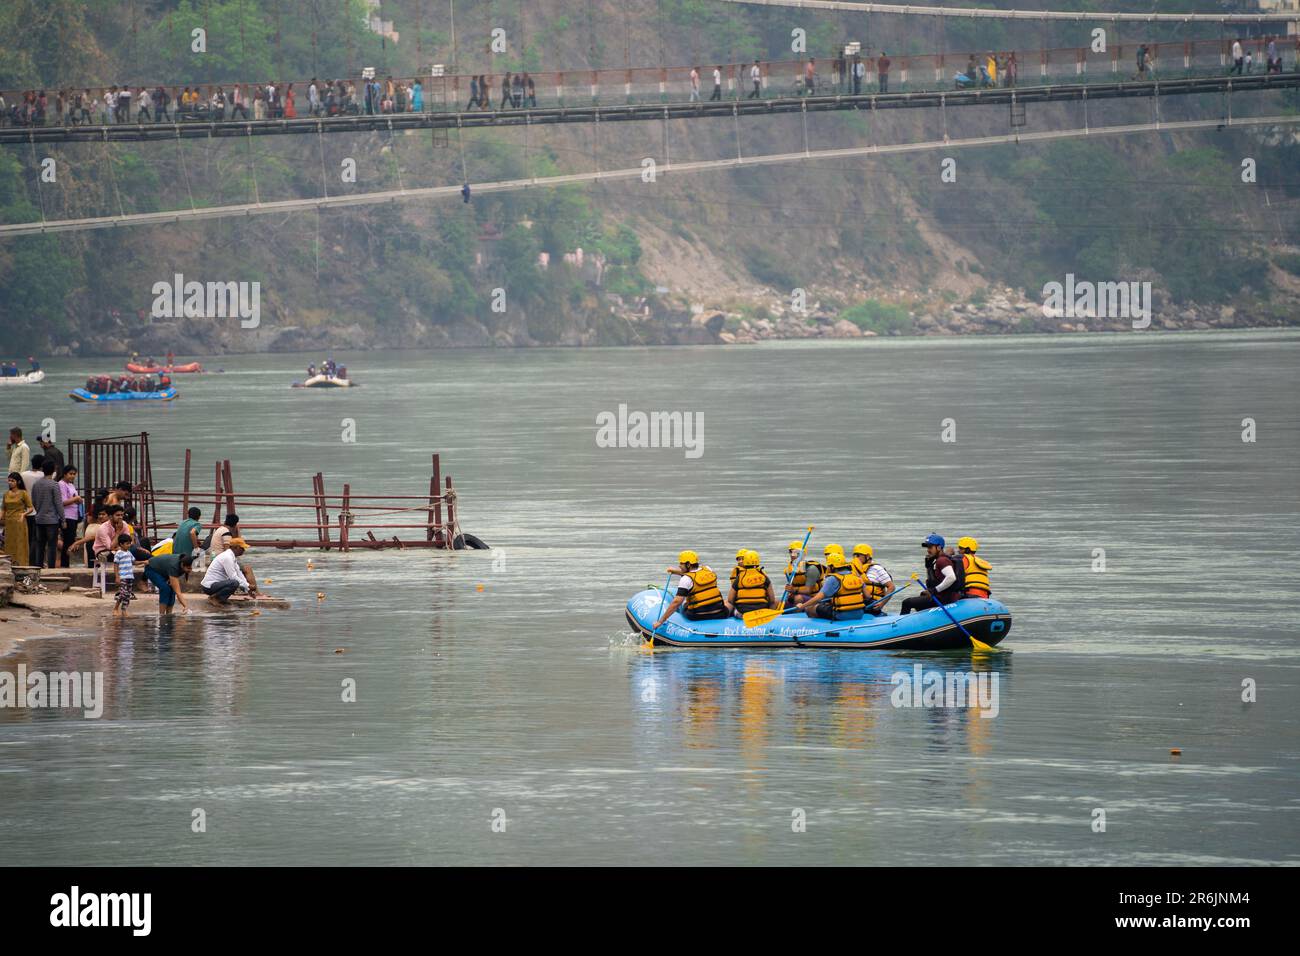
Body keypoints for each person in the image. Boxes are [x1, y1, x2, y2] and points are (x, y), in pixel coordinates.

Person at [652, 550, 728, 627]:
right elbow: (696, 574)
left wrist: (660, 621)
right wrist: (676, 572)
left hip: (697, 616)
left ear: (688, 564)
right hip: (719, 613)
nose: (679, 565)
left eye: (681, 563)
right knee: (727, 603)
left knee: (684, 603)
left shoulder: (685, 579)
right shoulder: (708, 569)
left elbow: (676, 602)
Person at [899, 534, 962, 614]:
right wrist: (929, 567)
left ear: (938, 548)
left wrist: (935, 590)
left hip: (943, 598)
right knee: (920, 600)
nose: (928, 550)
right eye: (927, 547)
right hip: (941, 596)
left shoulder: (942, 560)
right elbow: (932, 581)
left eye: (930, 547)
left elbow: (951, 577)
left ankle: (902, 625)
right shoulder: (937, 560)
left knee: (907, 602)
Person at [798, 551, 866, 620]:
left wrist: (803, 606)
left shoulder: (833, 579)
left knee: (809, 608)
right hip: (859, 613)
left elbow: (818, 598)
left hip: (840, 615)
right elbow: (868, 596)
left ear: (832, 566)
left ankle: (821, 627)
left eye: (828, 566)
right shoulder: (857, 576)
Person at [201, 537, 258, 605]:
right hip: (209, 587)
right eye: (242, 548)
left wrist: (248, 589)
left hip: (217, 585)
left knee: (236, 583)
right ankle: (214, 598)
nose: (244, 551)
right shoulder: (227, 557)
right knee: (234, 583)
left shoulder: (232, 557)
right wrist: (248, 585)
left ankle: (221, 599)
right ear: (236, 547)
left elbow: (239, 573)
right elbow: (233, 577)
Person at [209, 512, 259, 591]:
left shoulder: (220, 529)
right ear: (235, 524)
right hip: (220, 558)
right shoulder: (226, 533)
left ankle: (246, 589)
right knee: (247, 569)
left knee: (239, 567)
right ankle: (256, 591)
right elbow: (227, 552)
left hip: (214, 557)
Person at [30, 459, 62, 568]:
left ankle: (38, 567)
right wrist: (63, 519)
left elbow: (33, 501)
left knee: (40, 545)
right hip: (52, 520)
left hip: (39, 519)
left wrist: (39, 510)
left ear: (42, 470)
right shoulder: (54, 484)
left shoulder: (36, 484)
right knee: (52, 545)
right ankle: (51, 567)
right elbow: (58, 503)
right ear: (53, 470)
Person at [145, 550, 194, 615]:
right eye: (188, 568)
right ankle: (162, 615)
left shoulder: (183, 562)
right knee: (165, 588)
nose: (190, 570)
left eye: (191, 568)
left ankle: (169, 614)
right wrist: (186, 606)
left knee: (172, 589)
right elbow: (178, 592)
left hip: (164, 571)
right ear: (182, 565)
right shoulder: (174, 566)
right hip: (152, 569)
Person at [728, 550, 776, 617]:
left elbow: (730, 600)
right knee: (775, 603)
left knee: (730, 605)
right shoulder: (764, 577)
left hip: (743, 613)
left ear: (744, 562)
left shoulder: (739, 578)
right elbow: (772, 600)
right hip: (761, 611)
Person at [850, 544, 894, 615]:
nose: (856, 558)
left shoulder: (877, 568)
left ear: (867, 556)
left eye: (858, 555)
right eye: (854, 555)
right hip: (858, 602)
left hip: (872, 603)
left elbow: (891, 587)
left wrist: (882, 604)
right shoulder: (854, 569)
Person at [781, 539, 824, 608]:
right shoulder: (788, 570)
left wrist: (794, 590)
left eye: (796, 552)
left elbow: (808, 590)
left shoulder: (811, 569)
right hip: (797, 598)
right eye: (791, 552)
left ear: (802, 553)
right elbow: (791, 589)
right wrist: (790, 591)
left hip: (813, 600)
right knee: (777, 602)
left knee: (798, 598)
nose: (792, 555)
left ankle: (796, 616)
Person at [3, 473, 32, 565]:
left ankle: (21, 564)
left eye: (12, 481)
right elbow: (3, 508)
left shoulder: (23, 493)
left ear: (18, 482)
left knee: (20, 544)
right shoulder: (6, 494)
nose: (10, 482)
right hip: (9, 522)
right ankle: (9, 564)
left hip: (19, 522)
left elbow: (30, 508)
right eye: (9, 480)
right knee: (9, 543)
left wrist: (23, 514)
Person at [57, 465, 83, 567]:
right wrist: (76, 499)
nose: (72, 476)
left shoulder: (71, 485)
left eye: (74, 474)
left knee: (70, 540)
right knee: (67, 541)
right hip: (66, 516)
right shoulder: (61, 484)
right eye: (70, 474)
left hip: (74, 516)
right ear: (64, 474)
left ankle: (66, 562)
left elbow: (73, 499)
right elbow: (62, 502)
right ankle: (64, 564)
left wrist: (78, 500)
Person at [111, 532, 137, 615]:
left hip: (130, 576)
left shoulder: (129, 553)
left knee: (128, 595)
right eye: (127, 544)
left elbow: (134, 562)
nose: (129, 545)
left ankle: (124, 610)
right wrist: (117, 577)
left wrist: (144, 562)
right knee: (123, 593)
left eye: (130, 543)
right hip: (123, 576)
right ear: (121, 544)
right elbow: (115, 565)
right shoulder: (118, 553)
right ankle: (115, 608)